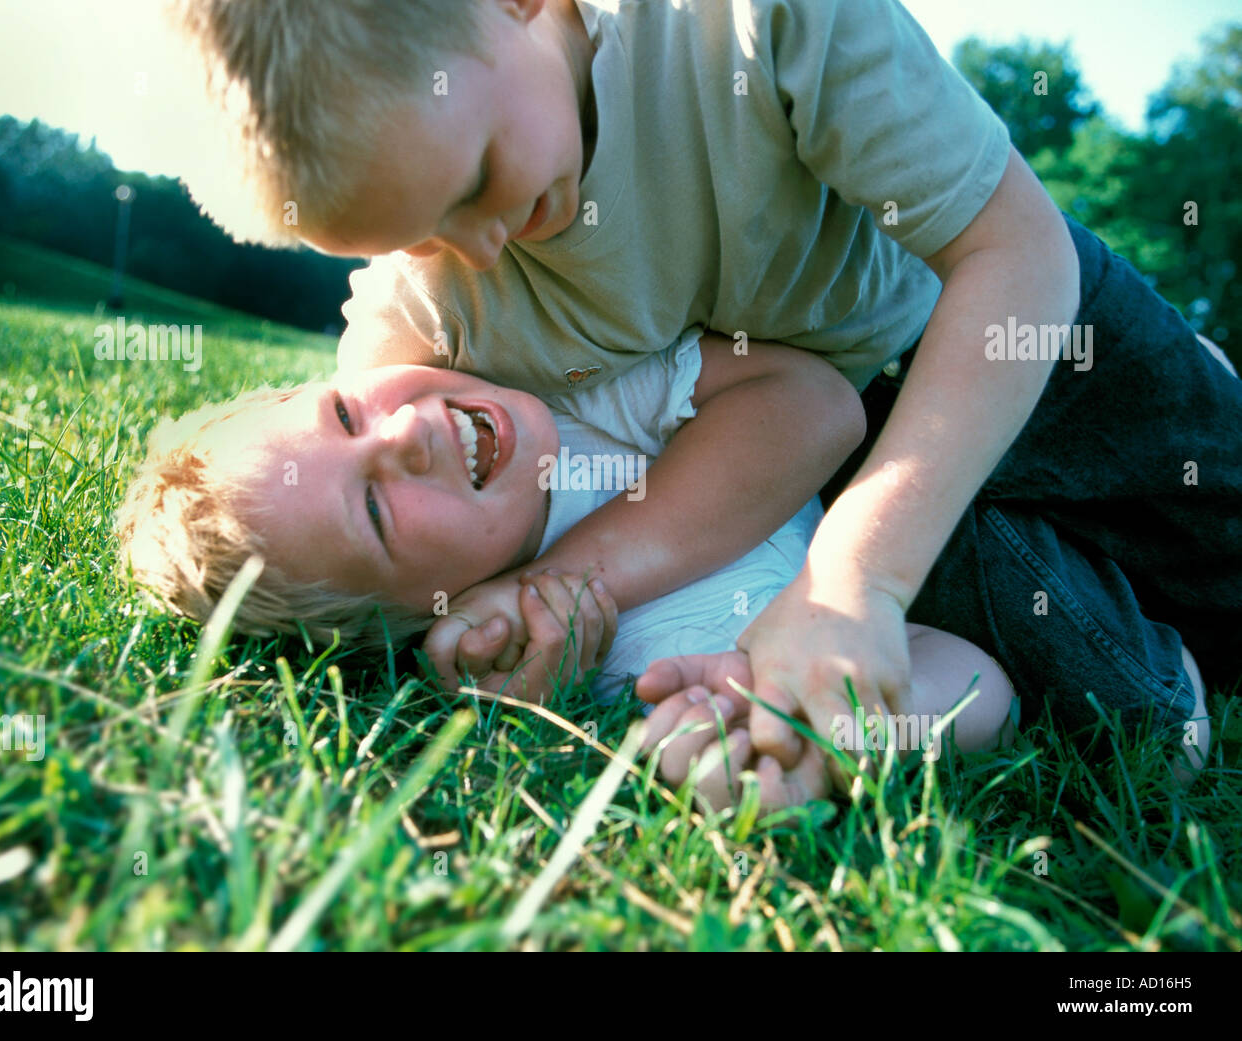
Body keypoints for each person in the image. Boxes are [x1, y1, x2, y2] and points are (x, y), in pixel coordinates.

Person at [167, 0, 1234, 800]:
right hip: (862, 466)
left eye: (471, 182)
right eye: (413, 233)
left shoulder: (750, 21)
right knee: (1125, 677)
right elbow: (353, 497)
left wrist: (851, 582)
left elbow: (1012, 251)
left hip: (1030, 345)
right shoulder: (431, 305)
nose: (475, 252)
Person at [116, 330, 1018, 809]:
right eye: (377, 508)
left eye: (347, 413)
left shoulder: (582, 392)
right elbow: (983, 683)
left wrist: (589, 570)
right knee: (1130, 678)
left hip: (954, 427)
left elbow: (823, 406)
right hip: (992, 570)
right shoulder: (624, 668)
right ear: (422, 618)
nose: (407, 431)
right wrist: (807, 726)